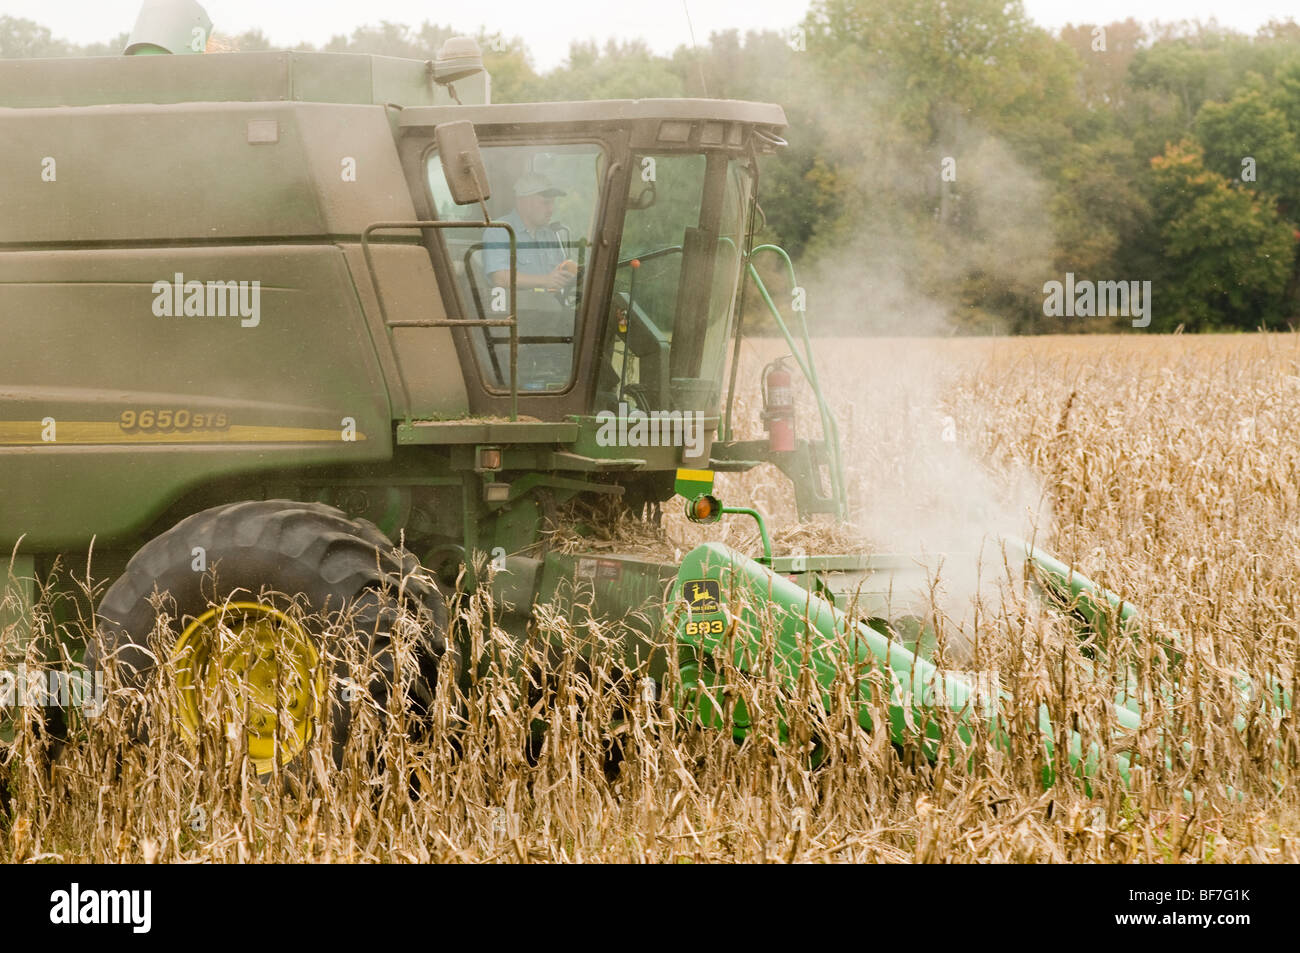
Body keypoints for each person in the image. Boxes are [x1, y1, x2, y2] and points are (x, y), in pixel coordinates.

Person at [483, 173, 578, 291]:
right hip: (517, 307)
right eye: (545, 203)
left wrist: (571, 276)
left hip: (552, 306)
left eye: (552, 203)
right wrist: (545, 280)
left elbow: (559, 274)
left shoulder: (549, 234)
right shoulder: (500, 230)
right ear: (523, 202)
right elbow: (500, 278)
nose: (551, 210)